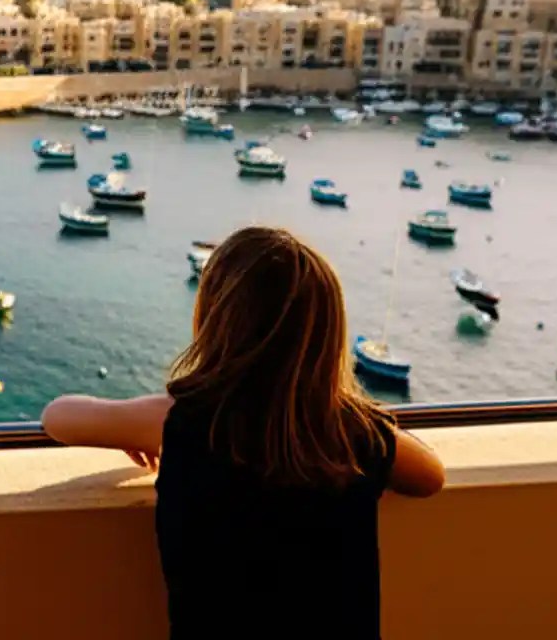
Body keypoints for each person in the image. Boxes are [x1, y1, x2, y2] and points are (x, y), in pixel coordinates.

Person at [42, 226, 444, 639]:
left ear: (217, 318)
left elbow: (58, 417)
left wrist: (132, 432)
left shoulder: (182, 420)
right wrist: (352, 413)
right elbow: (431, 475)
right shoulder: (353, 435)